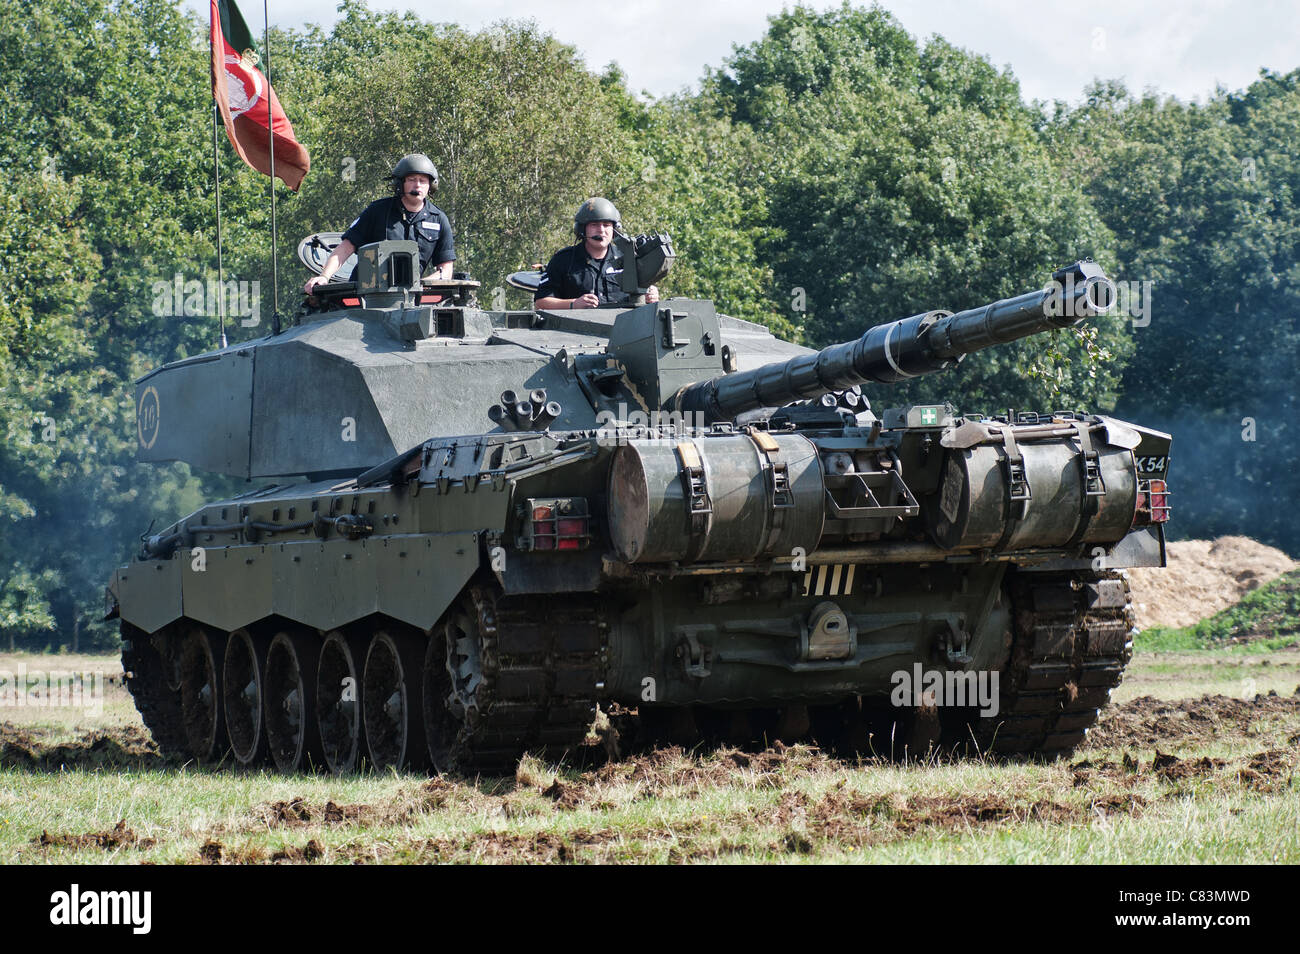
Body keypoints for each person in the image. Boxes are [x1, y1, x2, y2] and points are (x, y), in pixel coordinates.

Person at [303, 153, 455, 294]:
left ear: (431, 185)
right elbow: (345, 248)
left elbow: (446, 271)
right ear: (400, 183)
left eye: (423, 180)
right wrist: (324, 276)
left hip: (413, 300)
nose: (417, 185)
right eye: (411, 179)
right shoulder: (377, 211)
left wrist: (420, 286)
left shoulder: (439, 220)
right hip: (366, 296)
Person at [534, 198, 659, 309]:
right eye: (594, 225)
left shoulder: (628, 258)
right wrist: (573, 304)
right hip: (577, 331)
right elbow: (541, 302)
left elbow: (643, 293)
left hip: (624, 329)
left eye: (606, 225)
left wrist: (650, 295)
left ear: (615, 230)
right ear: (582, 229)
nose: (601, 230)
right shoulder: (563, 260)